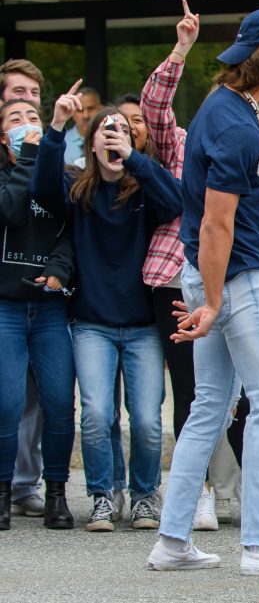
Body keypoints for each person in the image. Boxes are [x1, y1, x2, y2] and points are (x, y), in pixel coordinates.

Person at [147, 7, 259, 577]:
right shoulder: (234, 123)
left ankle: (172, 541)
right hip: (240, 278)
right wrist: (217, 300)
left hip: (221, 276)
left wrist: (208, 293)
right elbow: (218, 223)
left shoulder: (236, 108)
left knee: (209, 408)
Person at [32, 83, 182, 533]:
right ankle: (102, 494)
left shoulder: (143, 187)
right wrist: (56, 126)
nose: (112, 135)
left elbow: (175, 202)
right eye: (104, 129)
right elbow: (42, 189)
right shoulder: (77, 189)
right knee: (97, 415)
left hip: (142, 326)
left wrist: (134, 158)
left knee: (148, 421)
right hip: (93, 323)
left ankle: (143, 497)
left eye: (121, 129)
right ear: (91, 138)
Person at [0, 98, 75, 531]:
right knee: (7, 405)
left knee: (60, 403)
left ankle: (57, 493)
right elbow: (10, 209)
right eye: (14, 119)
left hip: (48, 309)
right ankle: (4, 492)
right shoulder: (9, 171)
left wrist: (57, 270)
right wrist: (26, 155)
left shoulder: (56, 174)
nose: (25, 124)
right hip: (7, 306)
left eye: (32, 117)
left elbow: (67, 226)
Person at [0, 58, 47, 519]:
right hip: (3, 296)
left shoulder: (55, 160)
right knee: (6, 394)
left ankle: (24, 483)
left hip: (39, 297)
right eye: (16, 97)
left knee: (34, 398)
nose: (27, 106)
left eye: (33, 98)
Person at [64, 87, 102, 166]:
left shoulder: (110, 140)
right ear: (72, 114)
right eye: (80, 110)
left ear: (100, 110)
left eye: (90, 109)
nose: (86, 116)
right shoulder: (61, 142)